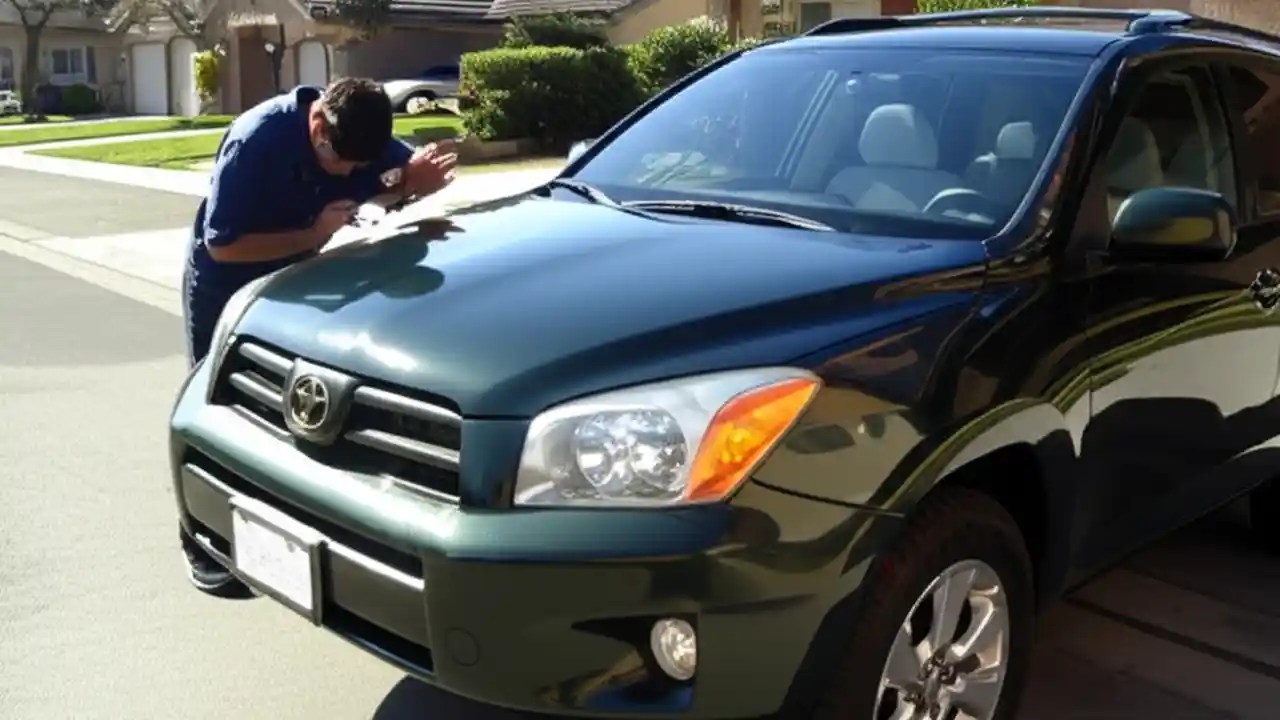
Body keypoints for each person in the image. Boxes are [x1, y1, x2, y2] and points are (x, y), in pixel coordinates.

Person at [179, 77, 457, 597]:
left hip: (300, 281)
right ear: (317, 126)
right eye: (342, 164)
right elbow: (224, 246)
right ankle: (202, 541)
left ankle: (279, 534)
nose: (350, 174)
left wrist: (407, 183)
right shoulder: (257, 139)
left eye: (359, 165)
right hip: (227, 283)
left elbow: (386, 182)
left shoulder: (360, 131)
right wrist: (315, 235)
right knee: (214, 406)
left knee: (283, 411)